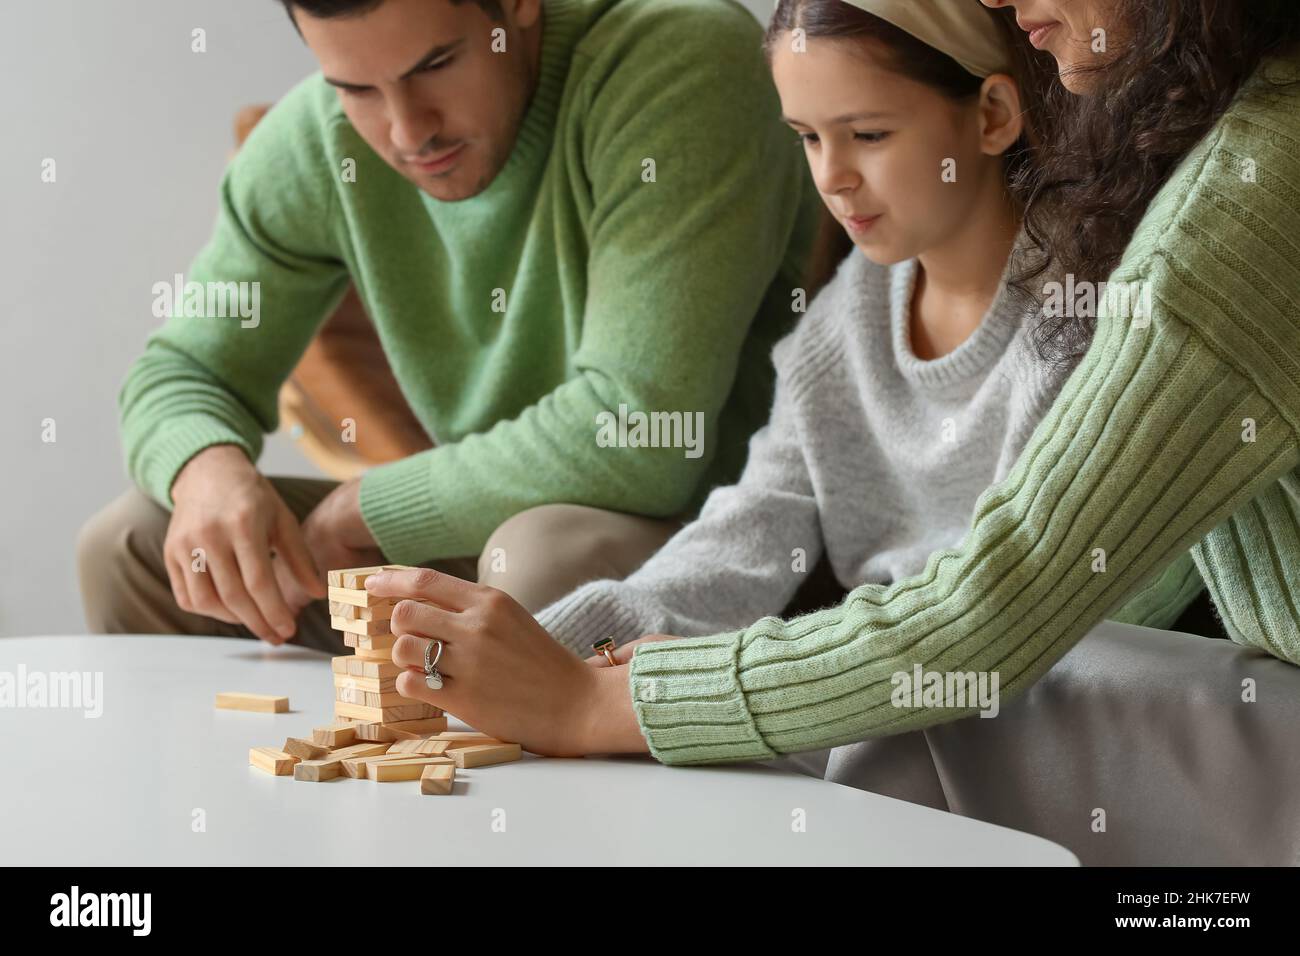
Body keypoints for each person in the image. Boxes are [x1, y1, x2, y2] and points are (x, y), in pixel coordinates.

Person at [359, 0, 1300, 762]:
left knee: (874, 752)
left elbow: (1019, 609)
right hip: (925, 659)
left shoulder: (1132, 278)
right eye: (807, 138)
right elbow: (744, 534)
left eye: (869, 133)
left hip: (1062, 676)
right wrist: (517, 666)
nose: (834, 178)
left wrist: (612, 700)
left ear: (992, 116)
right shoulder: (852, 310)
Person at [75, 0, 827, 651]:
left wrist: (367, 507)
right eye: (355, 87)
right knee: (132, 546)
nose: (409, 132)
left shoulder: (680, 61)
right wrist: (205, 469)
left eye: (435, 65)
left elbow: (641, 434)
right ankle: (248, 812)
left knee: (534, 558)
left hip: (720, 543)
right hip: (490, 545)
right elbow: (181, 370)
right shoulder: (316, 142)